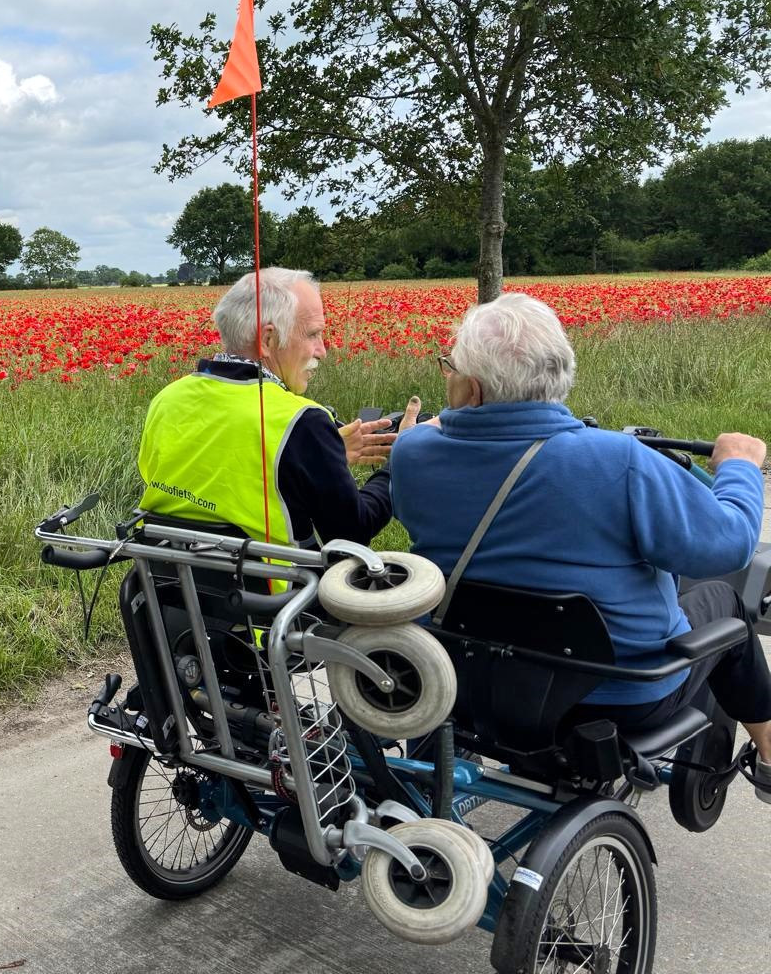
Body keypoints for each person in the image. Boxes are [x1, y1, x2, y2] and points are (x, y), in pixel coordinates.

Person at [389, 292, 771, 798]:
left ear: (473, 388)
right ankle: (770, 758)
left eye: (450, 367)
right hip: (617, 696)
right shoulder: (619, 460)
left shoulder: (412, 453)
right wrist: (740, 466)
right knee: (726, 603)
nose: (447, 376)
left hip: (467, 683)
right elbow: (732, 544)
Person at [137, 267, 416, 548]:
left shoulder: (167, 398)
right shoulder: (302, 421)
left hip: (164, 571)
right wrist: (397, 464)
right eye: (313, 334)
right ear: (267, 340)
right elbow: (352, 532)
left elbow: (216, 483)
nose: (322, 350)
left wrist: (319, 461)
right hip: (273, 576)